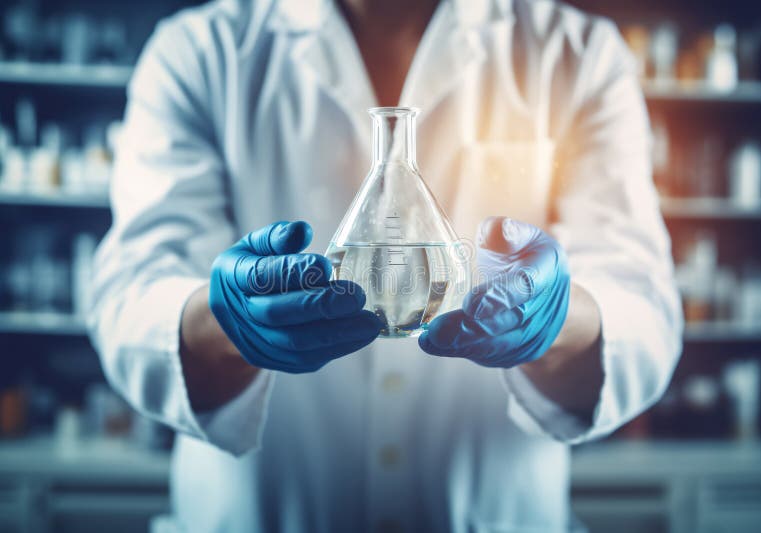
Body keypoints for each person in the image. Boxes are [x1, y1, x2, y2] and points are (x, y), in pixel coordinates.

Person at [89, 0, 683, 531]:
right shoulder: (200, 51)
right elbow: (131, 292)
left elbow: (641, 302)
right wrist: (221, 321)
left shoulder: (576, 55)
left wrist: (562, 318)